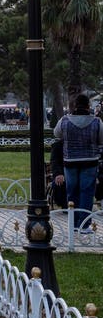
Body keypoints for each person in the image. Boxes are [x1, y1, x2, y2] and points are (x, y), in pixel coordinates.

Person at [54, 93, 103, 232]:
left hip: (70, 161)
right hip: (90, 161)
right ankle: (84, 225)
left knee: (72, 192)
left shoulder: (64, 120)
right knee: (86, 192)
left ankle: (74, 224)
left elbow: (57, 134)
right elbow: (101, 139)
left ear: (75, 106)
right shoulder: (96, 121)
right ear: (88, 106)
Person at [50, 138, 67, 209]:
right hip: (62, 173)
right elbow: (54, 162)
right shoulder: (57, 146)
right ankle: (64, 206)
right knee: (59, 182)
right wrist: (58, 174)